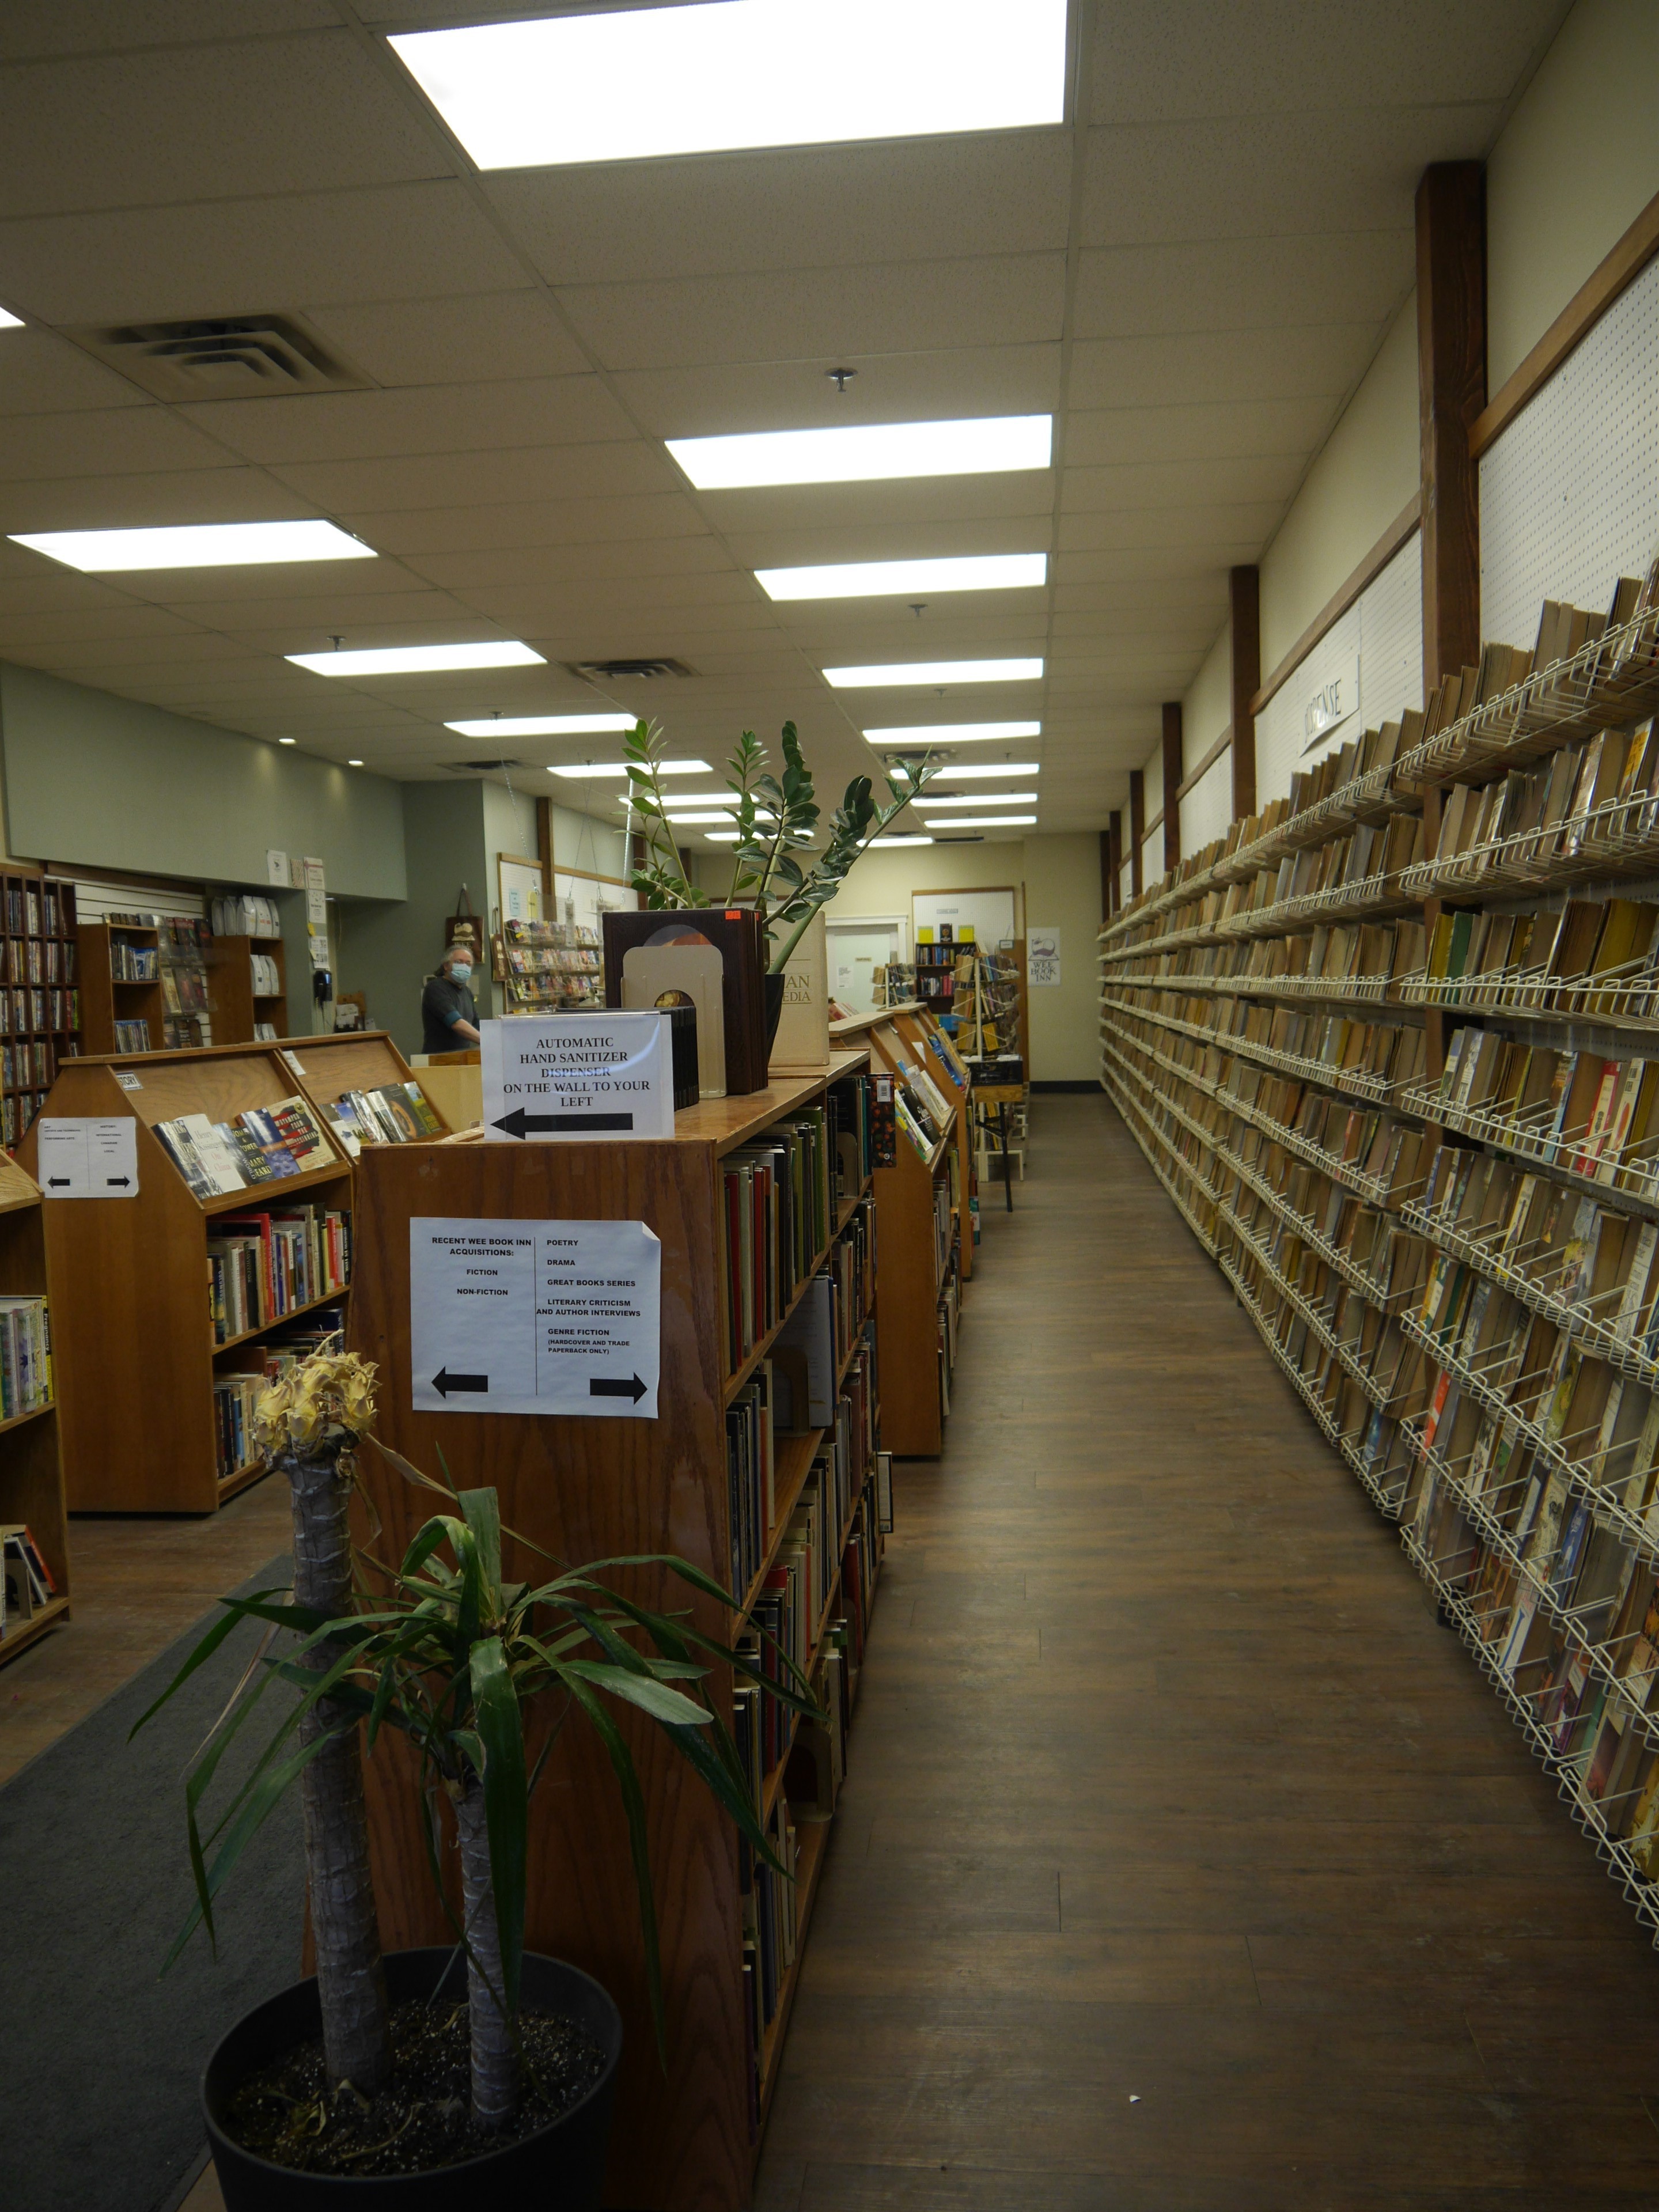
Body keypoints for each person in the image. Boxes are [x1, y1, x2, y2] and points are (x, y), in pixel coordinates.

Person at [422, 941, 480, 1054]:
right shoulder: (436, 988)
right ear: (446, 966)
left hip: (462, 1057)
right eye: (459, 962)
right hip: (439, 1059)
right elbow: (455, 1022)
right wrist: (486, 1041)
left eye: (468, 964)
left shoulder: (467, 992)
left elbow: (476, 1024)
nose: (464, 966)